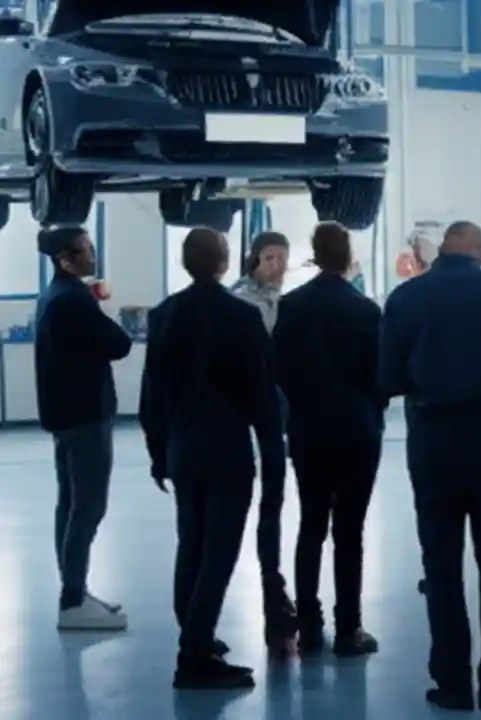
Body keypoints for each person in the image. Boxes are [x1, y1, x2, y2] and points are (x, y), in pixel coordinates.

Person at [379, 221, 481, 711]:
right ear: (480, 253)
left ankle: (451, 682)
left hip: (433, 437)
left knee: (441, 564)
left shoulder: (405, 299)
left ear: (442, 249)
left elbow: (387, 377)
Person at [140, 228, 285, 689]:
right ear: (224, 263)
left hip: (183, 446)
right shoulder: (241, 317)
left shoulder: (165, 315)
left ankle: (195, 634)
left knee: (191, 543)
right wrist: (273, 451)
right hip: (227, 448)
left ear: (185, 263)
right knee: (219, 552)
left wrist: (158, 453)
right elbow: (261, 393)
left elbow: (152, 394)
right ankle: (194, 658)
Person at [274, 223, 384, 657]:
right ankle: (348, 627)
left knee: (311, 526)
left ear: (314, 254)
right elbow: (380, 374)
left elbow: (279, 368)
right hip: (357, 429)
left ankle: (309, 624)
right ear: (347, 255)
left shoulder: (292, 306)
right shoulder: (365, 311)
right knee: (349, 531)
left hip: (309, 429)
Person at [34, 226, 132, 632]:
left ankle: (75, 590)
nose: (93, 255)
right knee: (88, 506)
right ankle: (73, 600)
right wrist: (98, 307)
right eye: (86, 250)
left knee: (70, 503)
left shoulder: (52, 295)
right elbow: (119, 344)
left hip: (65, 415)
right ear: (65, 259)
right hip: (86, 415)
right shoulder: (74, 300)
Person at [230, 230, 297, 648]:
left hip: (275, 405)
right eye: (269, 258)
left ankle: (275, 587)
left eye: (281, 258)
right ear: (254, 259)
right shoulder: (241, 302)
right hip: (246, 404)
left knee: (274, 497)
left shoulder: (283, 301)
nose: (276, 266)